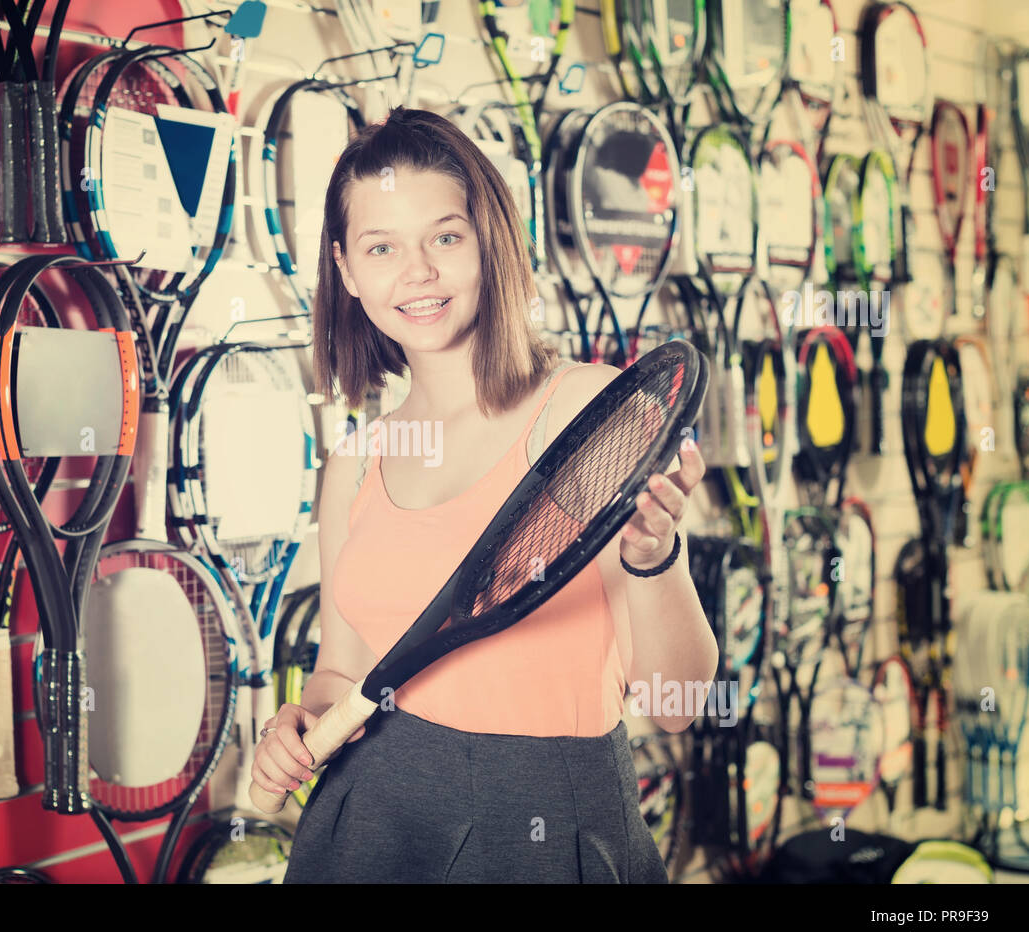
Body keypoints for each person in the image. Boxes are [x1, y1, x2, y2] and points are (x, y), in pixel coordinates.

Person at [251, 107, 719, 883]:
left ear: (488, 242)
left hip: (543, 824)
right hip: (365, 820)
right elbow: (344, 671)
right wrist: (300, 723)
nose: (417, 273)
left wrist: (654, 556)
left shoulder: (587, 414)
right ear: (346, 270)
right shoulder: (357, 460)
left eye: (445, 237)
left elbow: (675, 705)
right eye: (381, 248)